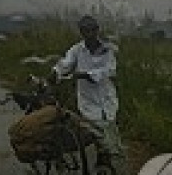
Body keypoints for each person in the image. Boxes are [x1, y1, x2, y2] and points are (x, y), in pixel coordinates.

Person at [52, 14, 123, 169]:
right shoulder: (77, 50)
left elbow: (110, 70)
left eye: (92, 30)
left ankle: (108, 158)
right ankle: (102, 157)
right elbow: (66, 63)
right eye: (85, 31)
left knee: (109, 129)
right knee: (95, 130)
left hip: (106, 98)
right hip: (87, 99)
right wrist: (56, 72)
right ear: (81, 32)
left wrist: (86, 74)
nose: (89, 34)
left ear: (97, 30)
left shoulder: (108, 50)